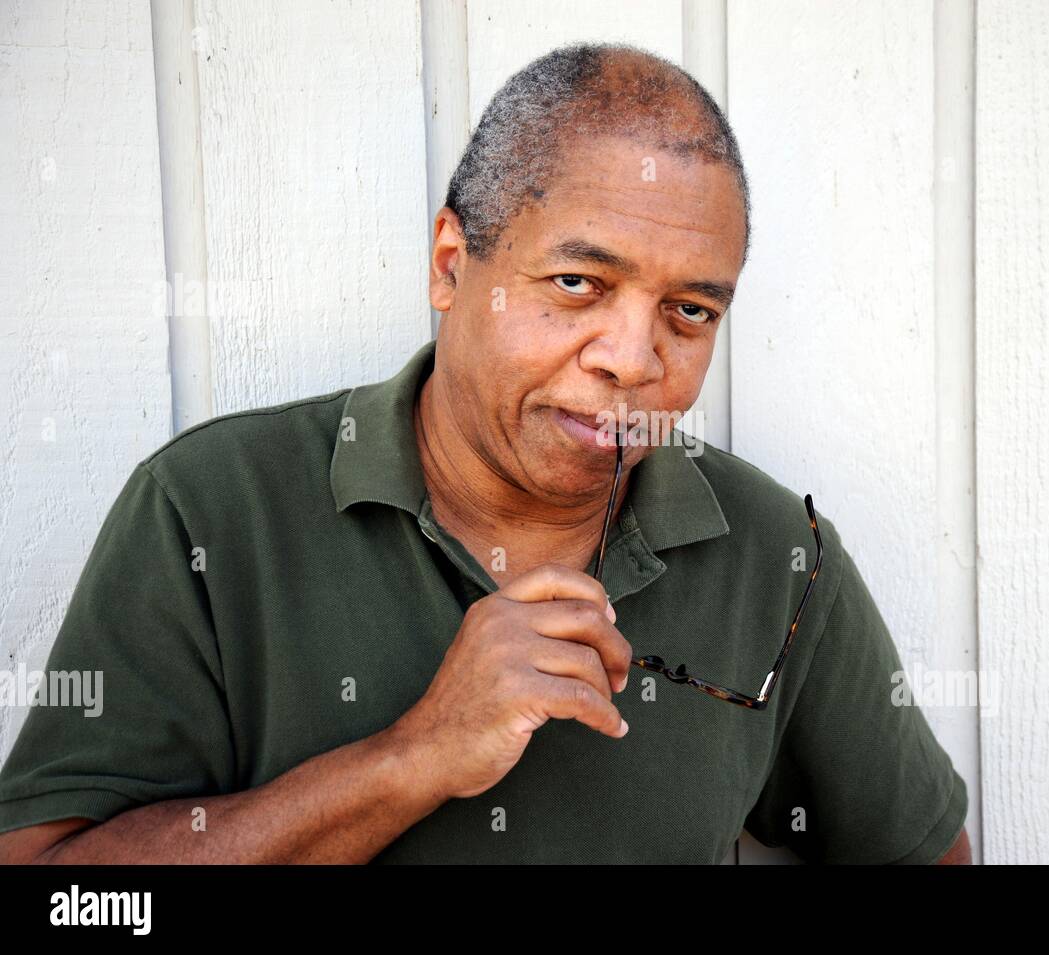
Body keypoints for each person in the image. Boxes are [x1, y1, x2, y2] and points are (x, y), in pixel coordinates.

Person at [0, 41, 969, 864]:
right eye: (579, 281)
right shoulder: (211, 507)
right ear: (452, 265)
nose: (633, 361)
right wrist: (414, 755)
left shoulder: (771, 550)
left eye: (689, 310)